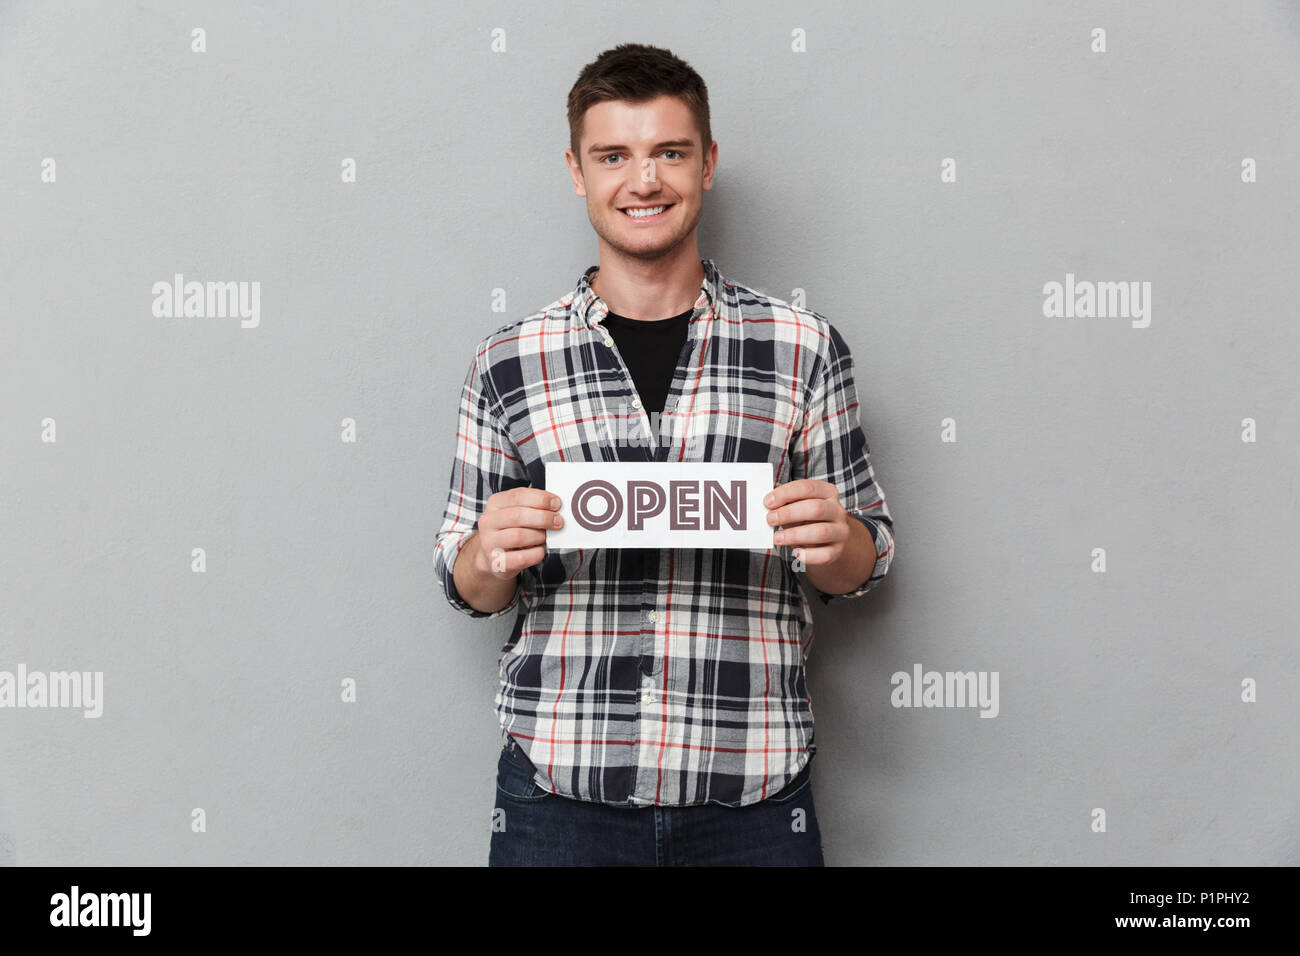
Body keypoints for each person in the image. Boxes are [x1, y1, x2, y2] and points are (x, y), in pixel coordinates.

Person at [432, 43, 895, 866]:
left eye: (669, 153)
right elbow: (466, 585)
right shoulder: (507, 359)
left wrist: (838, 540)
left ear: (707, 163)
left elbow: (862, 567)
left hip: (751, 798)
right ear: (577, 171)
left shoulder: (804, 348)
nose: (643, 180)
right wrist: (487, 552)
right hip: (556, 799)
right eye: (614, 155)